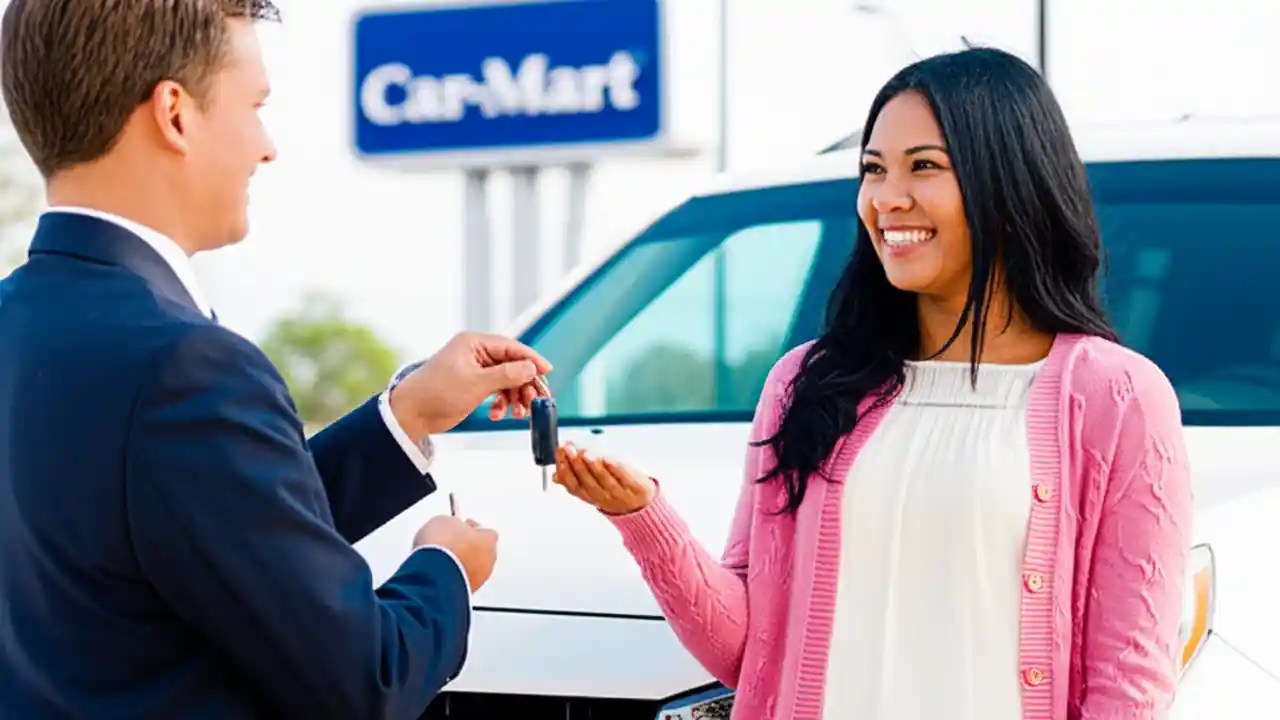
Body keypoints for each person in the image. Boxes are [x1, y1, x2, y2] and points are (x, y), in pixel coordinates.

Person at [553, 47, 1193, 720]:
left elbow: (1129, 682)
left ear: (1008, 185)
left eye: (924, 167)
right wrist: (641, 516)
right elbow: (746, 652)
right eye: (873, 170)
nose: (887, 199)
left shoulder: (1116, 398)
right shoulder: (809, 383)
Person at [0, 2, 550, 718]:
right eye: (255, 105)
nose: (267, 147)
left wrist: (405, 415)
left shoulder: (23, 324)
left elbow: (196, 528)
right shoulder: (187, 364)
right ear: (175, 114)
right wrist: (444, 567)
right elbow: (365, 682)